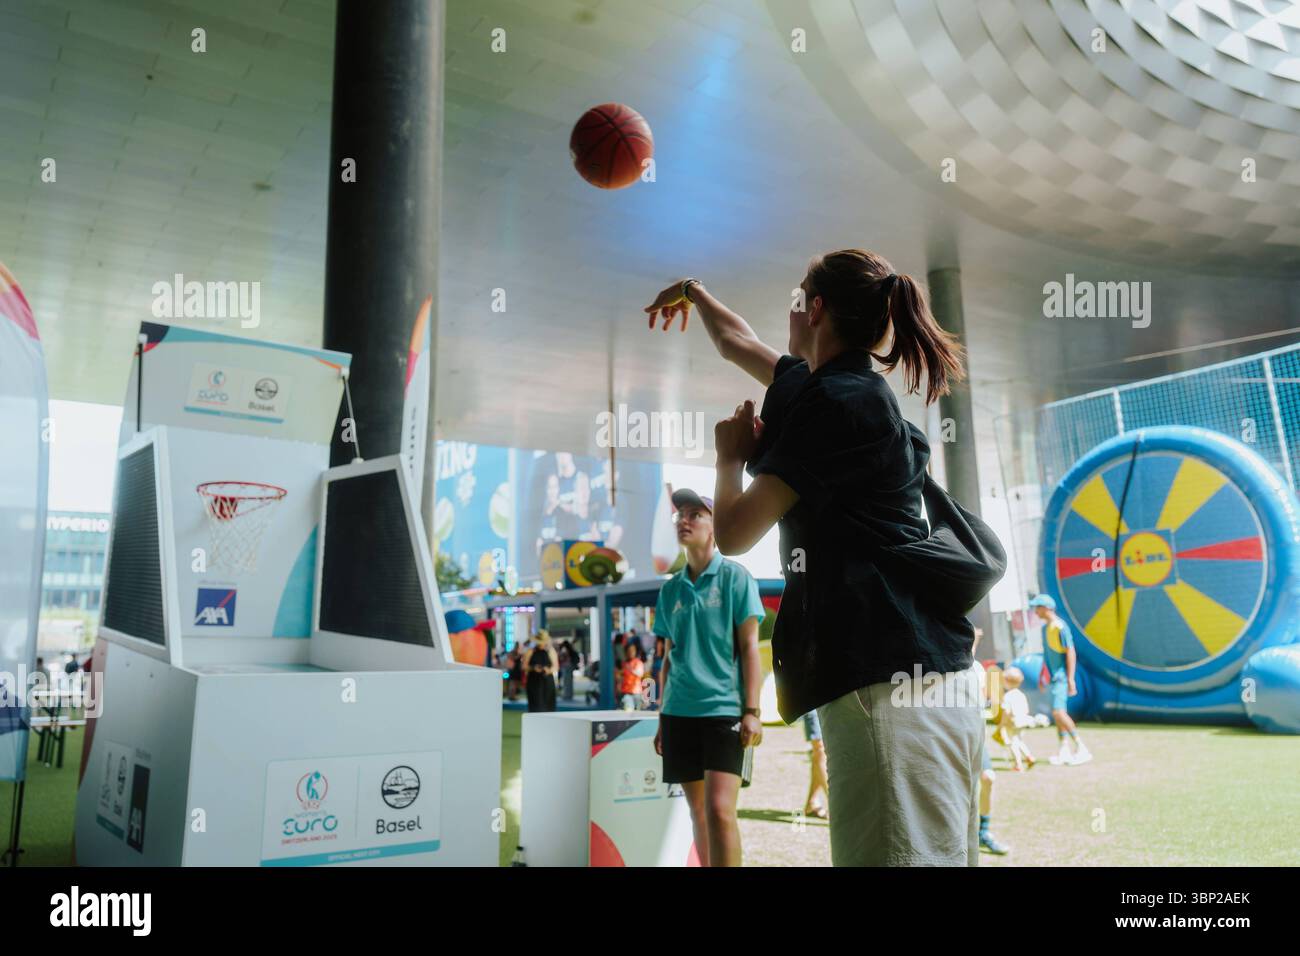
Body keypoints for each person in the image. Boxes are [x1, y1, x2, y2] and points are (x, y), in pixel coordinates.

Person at [646, 251, 982, 866]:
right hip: (928, 674)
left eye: (798, 297)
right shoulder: (830, 388)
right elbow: (736, 341)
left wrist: (726, 458)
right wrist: (694, 292)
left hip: (886, 686)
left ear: (815, 308)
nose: (789, 313)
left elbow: (739, 532)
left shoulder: (832, 405)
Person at [651, 489, 766, 867]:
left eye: (695, 514)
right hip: (678, 711)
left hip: (724, 711)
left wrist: (752, 710)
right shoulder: (670, 589)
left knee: (719, 810)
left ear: (714, 527)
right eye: (680, 514)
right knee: (697, 812)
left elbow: (750, 648)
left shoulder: (736, 578)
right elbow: (669, 655)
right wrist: (661, 717)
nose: (683, 520)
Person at [1029, 594, 1092, 765]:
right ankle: (1063, 749)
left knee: (1058, 713)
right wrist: (1043, 676)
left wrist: (1070, 679)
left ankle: (1081, 748)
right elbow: (1047, 655)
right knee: (1057, 715)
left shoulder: (1060, 627)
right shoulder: (1044, 629)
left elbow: (1070, 652)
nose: (1035, 611)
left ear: (1047, 608)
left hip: (1061, 678)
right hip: (1052, 679)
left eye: (1038, 607)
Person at [970, 628, 1010, 855]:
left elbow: (984, 697)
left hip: (975, 732)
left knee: (988, 777)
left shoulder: (976, 668)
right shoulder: (945, 667)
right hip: (950, 736)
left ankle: (984, 832)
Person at [996, 666, 1041, 772]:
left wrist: (1002, 724)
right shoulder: (1021, 695)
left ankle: (1018, 764)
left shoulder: (1008, 696)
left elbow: (1006, 712)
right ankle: (1029, 757)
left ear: (1006, 682)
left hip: (1012, 722)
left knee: (1012, 743)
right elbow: (1026, 709)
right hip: (1023, 721)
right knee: (1019, 741)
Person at [801, 710, 829, 820]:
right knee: (820, 749)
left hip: (829, 702)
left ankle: (811, 803)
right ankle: (834, 803)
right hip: (812, 701)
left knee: (820, 752)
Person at [525, 630, 558, 713]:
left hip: (547, 681)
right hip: (534, 681)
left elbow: (556, 666)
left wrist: (548, 670)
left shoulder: (551, 651)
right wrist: (533, 668)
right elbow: (524, 666)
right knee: (535, 706)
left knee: (548, 706)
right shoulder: (530, 651)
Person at [618, 641, 645, 710]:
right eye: (629, 650)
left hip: (637, 692)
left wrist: (631, 669)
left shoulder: (638, 662)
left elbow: (640, 673)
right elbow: (620, 677)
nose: (631, 652)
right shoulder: (623, 663)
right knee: (628, 709)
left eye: (633, 650)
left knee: (637, 713)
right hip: (626, 693)